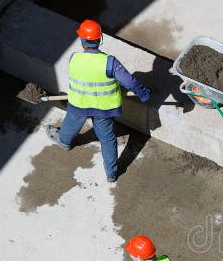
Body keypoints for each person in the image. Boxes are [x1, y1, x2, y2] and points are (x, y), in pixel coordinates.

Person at [46, 19, 151, 182]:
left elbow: (87, 76)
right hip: (103, 108)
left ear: (81, 41)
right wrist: (143, 93)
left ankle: (64, 142)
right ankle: (111, 173)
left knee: (70, 124)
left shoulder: (74, 58)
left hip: (79, 103)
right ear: (100, 39)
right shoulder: (110, 63)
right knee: (108, 139)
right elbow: (129, 82)